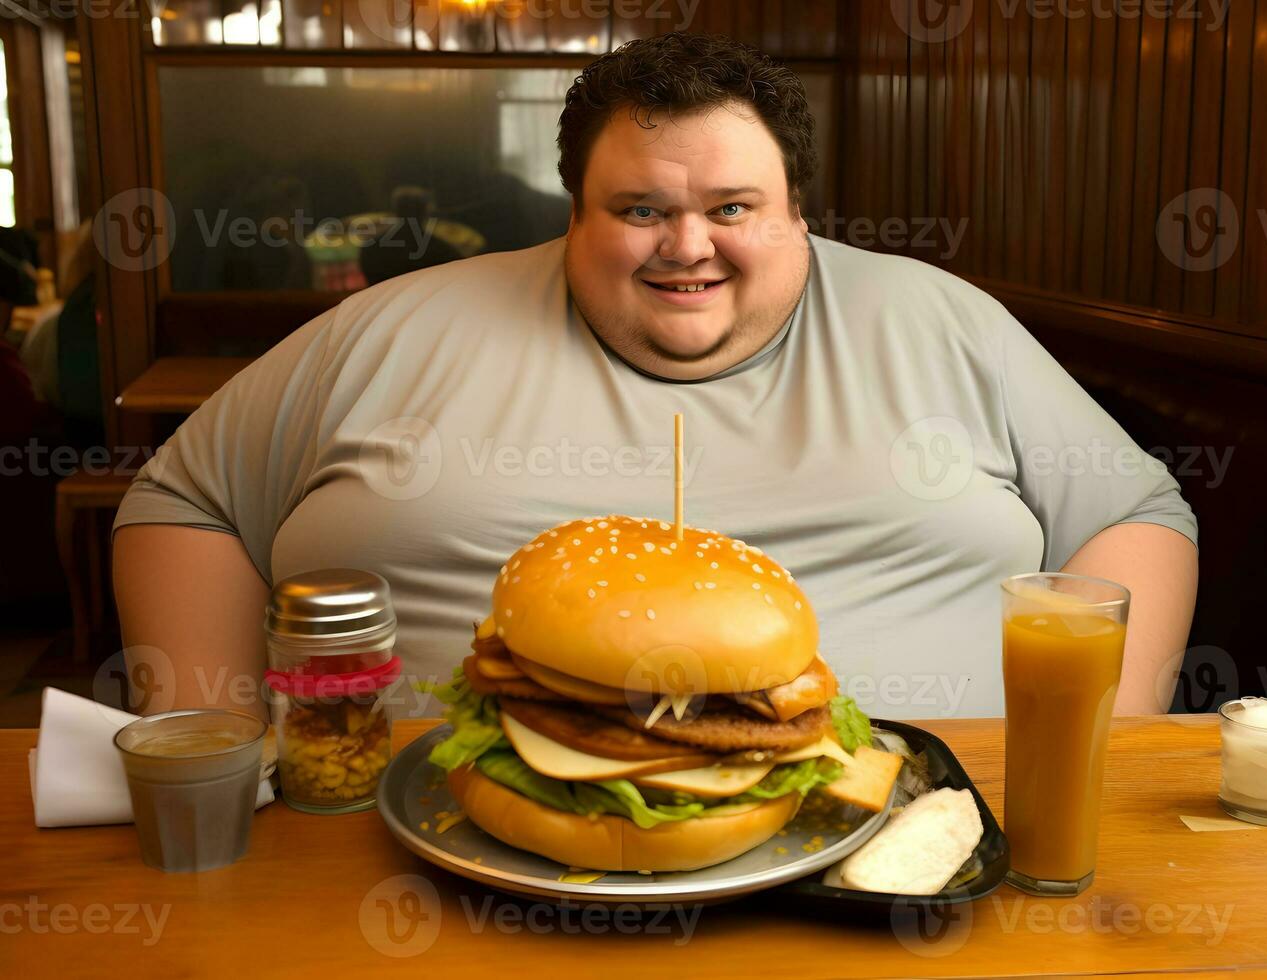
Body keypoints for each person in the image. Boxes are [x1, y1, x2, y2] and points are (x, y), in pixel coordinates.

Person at [113, 33, 1198, 723]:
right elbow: (182, 500)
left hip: (922, 855)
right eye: (640, 210)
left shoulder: (949, 321)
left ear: (796, 214)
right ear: (573, 213)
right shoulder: (387, 329)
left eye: (731, 208)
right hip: (418, 855)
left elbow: (1137, 510)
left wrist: (1111, 748)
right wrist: (214, 743)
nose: (688, 246)